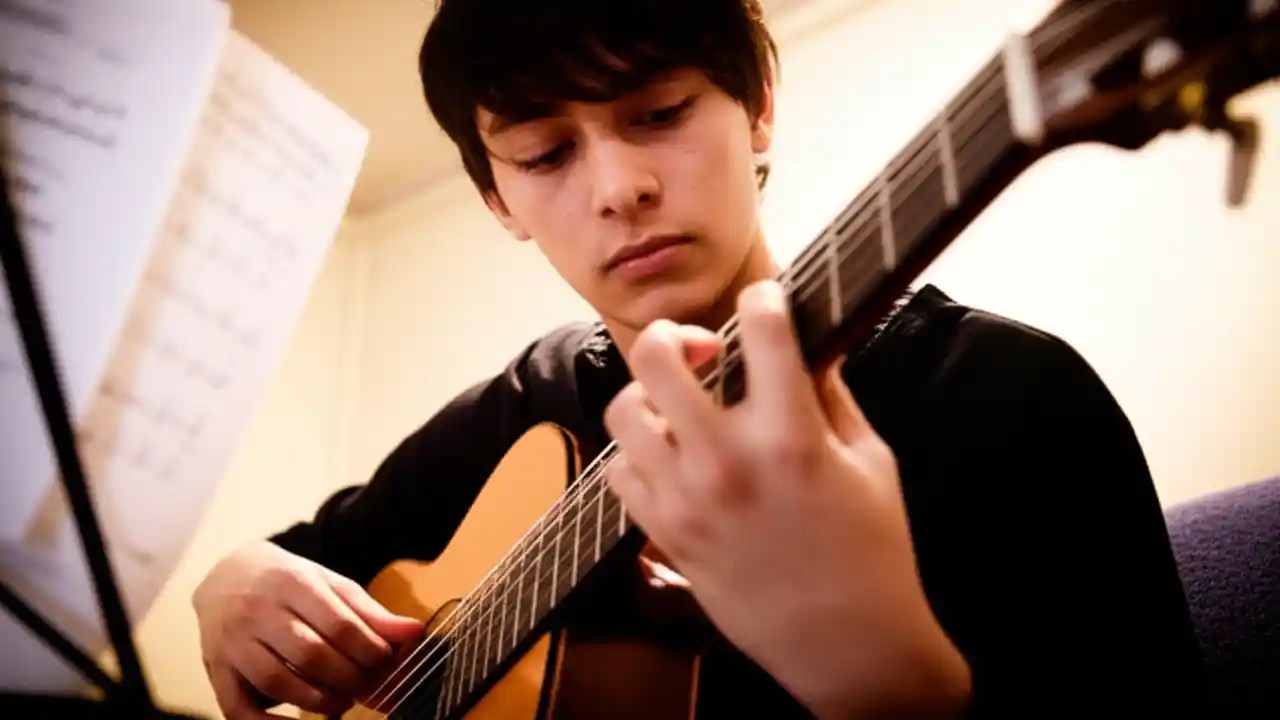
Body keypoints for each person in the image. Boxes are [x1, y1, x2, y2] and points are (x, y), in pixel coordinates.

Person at [192, 1, 1208, 718]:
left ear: (757, 102)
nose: (619, 186)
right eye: (547, 155)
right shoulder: (524, 406)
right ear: (498, 201)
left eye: (660, 114)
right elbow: (305, 561)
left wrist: (888, 688)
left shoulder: (1007, 401)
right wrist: (233, 581)